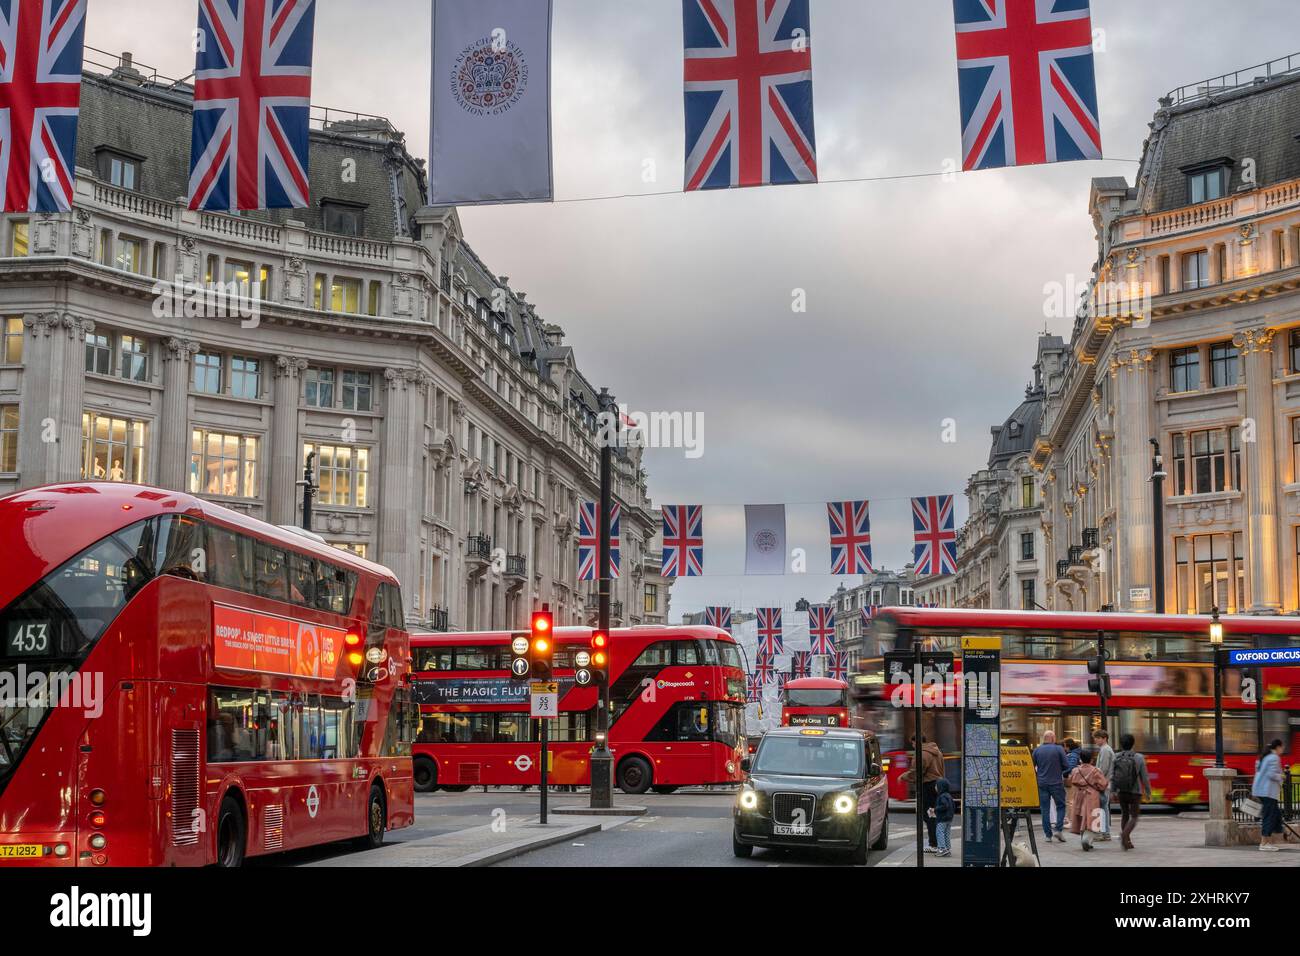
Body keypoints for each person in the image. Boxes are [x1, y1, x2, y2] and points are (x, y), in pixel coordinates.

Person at [900, 735, 945, 852]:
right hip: (936, 786)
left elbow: (916, 772)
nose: (913, 746)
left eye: (913, 744)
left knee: (928, 815)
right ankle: (939, 843)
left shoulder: (922, 754)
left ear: (916, 742)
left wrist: (903, 776)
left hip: (927, 787)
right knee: (935, 814)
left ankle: (934, 844)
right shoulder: (937, 752)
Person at [1112, 733, 1152, 850]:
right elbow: (1144, 777)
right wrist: (1148, 792)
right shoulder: (1139, 757)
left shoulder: (1116, 756)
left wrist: (1113, 791)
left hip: (1121, 791)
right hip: (1135, 792)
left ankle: (1127, 841)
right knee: (1134, 816)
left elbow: (1113, 775)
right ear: (1133, 743)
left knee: (1124, 814)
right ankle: (1124, 835)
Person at [1068, 749, 1110, 850]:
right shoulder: (1096, 770)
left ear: (1080, 759)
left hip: (1078, 795)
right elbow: (1103, 784)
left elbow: (1070, 780)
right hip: (1091, 796)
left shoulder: (1075, 770)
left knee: (1080, 816)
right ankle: (1087, 839)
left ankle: (1084, 838)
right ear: (1091, 760)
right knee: (1091, 817)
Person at [1032, 731, 1070, 842]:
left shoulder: (1037, 750)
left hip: (1042, 783)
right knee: (1061, 806)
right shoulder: (1059, 749)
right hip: (1056, 783)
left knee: (1045, 809)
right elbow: (1066, 766)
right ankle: (1058, 829)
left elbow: (1031, 766)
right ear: (1053, 738)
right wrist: (1058, 770)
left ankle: (1048, 835)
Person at [1253, 739, 1286, 852]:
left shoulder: (1265, 757)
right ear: (1278, 747)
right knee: (1269, 816)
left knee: (1273, 815)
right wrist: (1281, 776)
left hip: (1262, 790)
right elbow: (1271, 774)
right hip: (1268, 792)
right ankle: (1264, 843)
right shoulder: (1273, 757)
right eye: (1282, 747)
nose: (1283, 749)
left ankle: (1268, 841)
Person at [1092, 729, 1116, 842]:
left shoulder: (1105, 750)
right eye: (1095, 738)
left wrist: (1095, 779)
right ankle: (1105, 833)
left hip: (1103, 783)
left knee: (1102, 808)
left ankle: (1104, 833)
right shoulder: (1105, 749)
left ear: (1104, 738)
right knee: (1104, 807)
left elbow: (1103, 768)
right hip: (1106, 782)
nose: (1096, 740)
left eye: (1098, 738)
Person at [933, 778, 956, 858]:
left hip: (942, 818)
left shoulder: (942, 796)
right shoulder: (949, 795)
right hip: (949, 819)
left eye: (936, 786)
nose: (935, 787)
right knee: (946, 833)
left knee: (939, 832)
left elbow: (944, 806)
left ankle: (942, 849)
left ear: (940, 787)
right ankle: (947, 848)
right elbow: (952, 806)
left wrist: (935, 809)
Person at [1063, 738, 1081, 831]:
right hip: (1073, 778)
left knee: (1070, 800)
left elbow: (1071, 766)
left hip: (1071, 779)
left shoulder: (1073, 754)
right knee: (1070, 800)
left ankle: (1071, 820)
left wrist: (1064, 773)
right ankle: (1069, 819)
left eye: (1065, 746)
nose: (1064, 748)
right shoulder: (1075, 753)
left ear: (1068, 746)